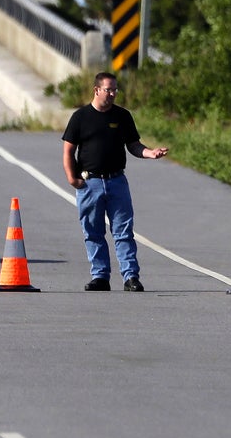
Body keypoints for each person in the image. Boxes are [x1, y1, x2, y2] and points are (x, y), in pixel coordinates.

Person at [62, 72, 169, 292]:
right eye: (108, 90)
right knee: (93, 231)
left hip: (116, 182)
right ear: (96, 90)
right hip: (89, 183)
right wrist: (72, 178)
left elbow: (134, 145)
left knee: (123, 231)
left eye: (115, 90)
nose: (112, 94)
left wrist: (150, 153)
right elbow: (68, 150)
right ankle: (100, 276)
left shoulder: (122, 116)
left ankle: (130, 277)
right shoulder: (81, 117)